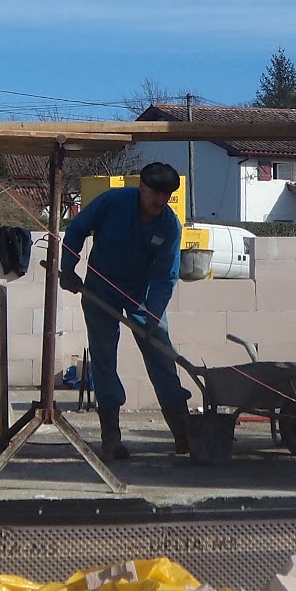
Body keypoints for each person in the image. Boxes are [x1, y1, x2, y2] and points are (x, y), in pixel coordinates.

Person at [58, 161, 190, 459]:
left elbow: (165, 276)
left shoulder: (169, 225)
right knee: (104, 358)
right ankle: (111, 437)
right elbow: (77, 228)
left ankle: (184, 434)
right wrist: (68, 269)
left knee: (161, 356)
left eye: (166, 195)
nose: (160, 200)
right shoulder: (112, 202)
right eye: (156, 193)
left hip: (142, 298)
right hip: (99, 291)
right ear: (141, 187)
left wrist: (153, 317)